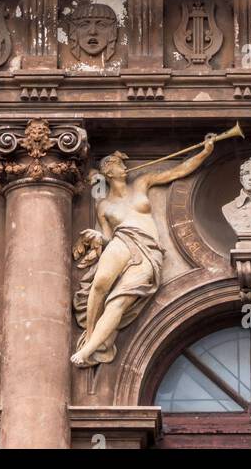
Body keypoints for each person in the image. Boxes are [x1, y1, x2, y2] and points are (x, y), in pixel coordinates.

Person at [71, 135, 217, 367]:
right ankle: (91, 334)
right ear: (108, 172)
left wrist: (205, 152)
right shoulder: (103, 205)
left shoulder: (142, 182)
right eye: (119, 165)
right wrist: (98, 236)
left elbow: (176, 172)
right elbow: (107, 235)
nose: (125, 167)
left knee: (117, 300)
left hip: (147, 247)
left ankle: (89, 349)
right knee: (99, 285)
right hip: (121, 240)